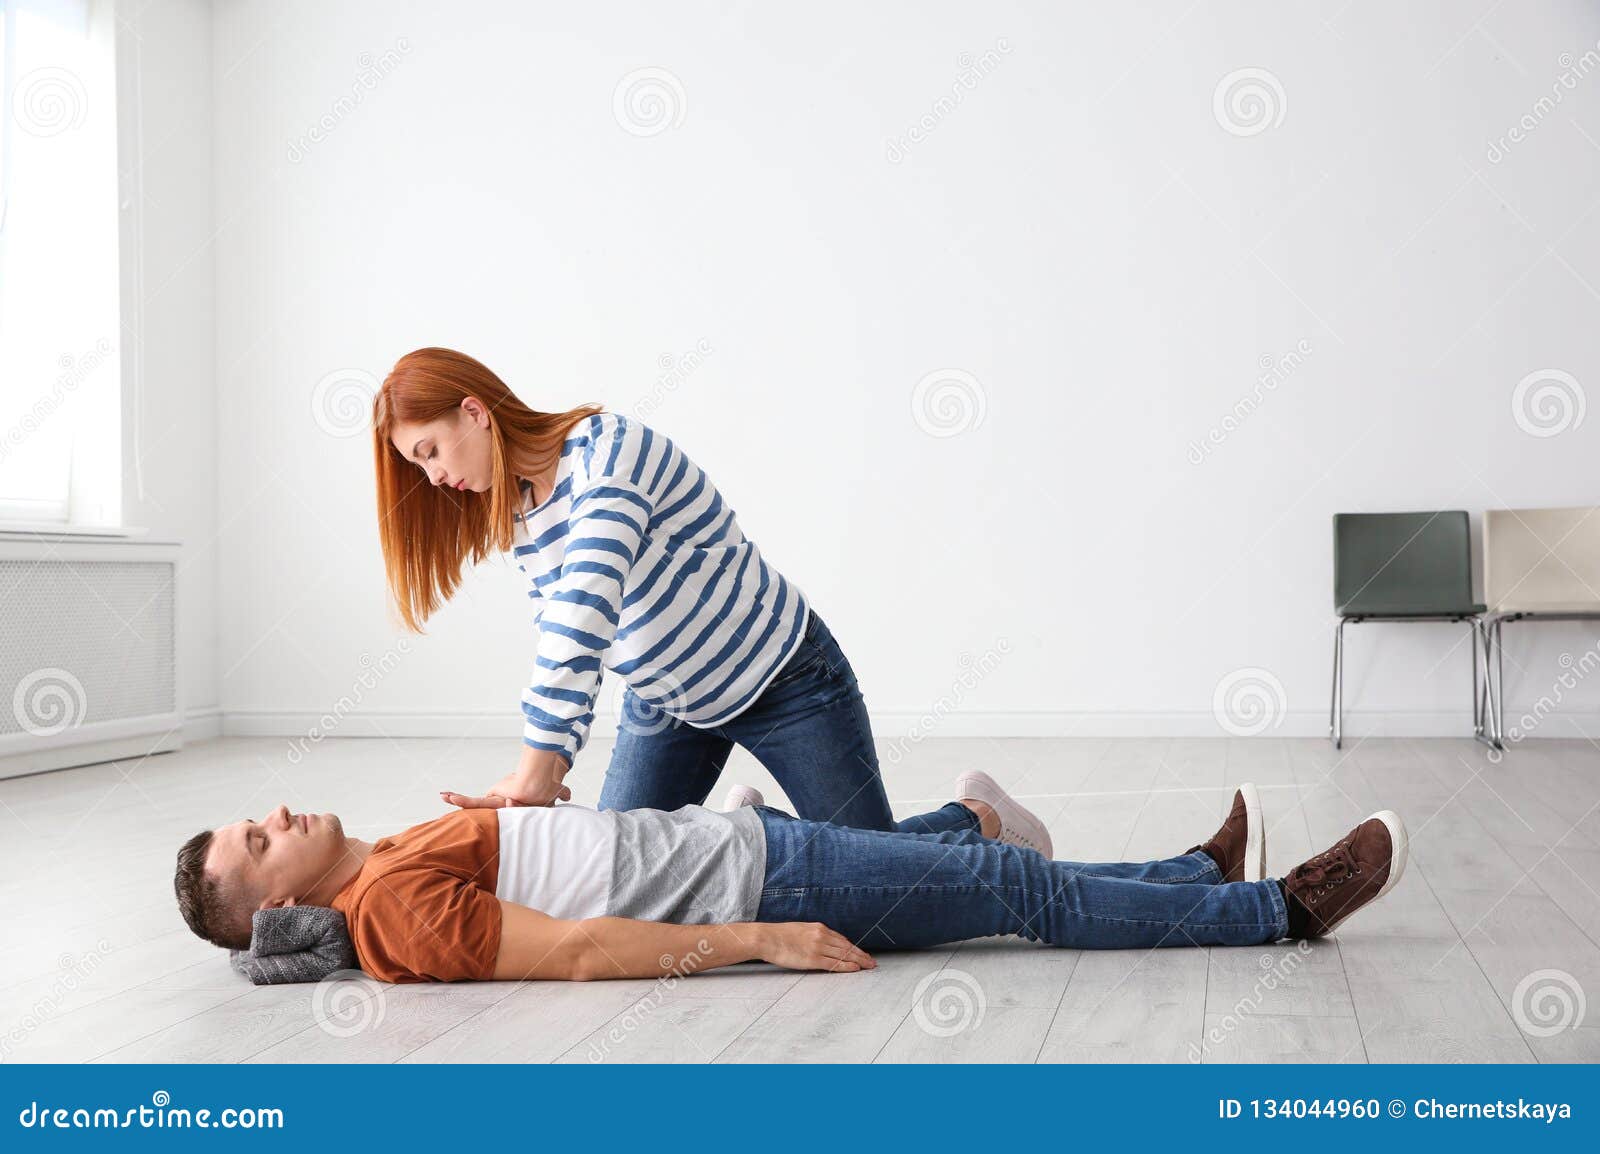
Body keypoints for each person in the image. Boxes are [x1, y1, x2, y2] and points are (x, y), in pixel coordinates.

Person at [371, 347, 985, 841]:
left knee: (880, 891)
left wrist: (538, 770)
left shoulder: (607, 453)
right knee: (626, 882)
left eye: (430, 451)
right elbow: (563, 628)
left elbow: (585, 609)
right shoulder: (520, 517)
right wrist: (551, 759)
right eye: (418, 467)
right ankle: (745, 841)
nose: (435, 477)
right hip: (666, 705)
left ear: (475, 412)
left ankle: (978, 816)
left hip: (782, 682)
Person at [173, 775, 1408, 984]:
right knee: (1010, 892)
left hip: (750, 845)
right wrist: (762, 942)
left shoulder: (387, 856)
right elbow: (579, 952)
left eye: (253, 815)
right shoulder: (389, 910)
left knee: (978, 861)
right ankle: (1279, 908)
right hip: (758, 882)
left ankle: (1189, 869)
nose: (274, 814)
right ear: (279, 901)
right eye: (259, 838)